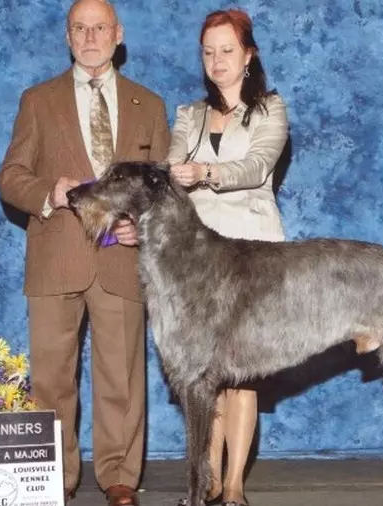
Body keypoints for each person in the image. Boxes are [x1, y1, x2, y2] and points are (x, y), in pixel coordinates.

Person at [0, 0, 170, 504]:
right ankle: (51, 476)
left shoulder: (149, 104)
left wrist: (147, 226)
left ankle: (119, 477)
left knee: (123, 376)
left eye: (99, 28)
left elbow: (163, 190)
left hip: (123, 259)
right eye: (80, 28)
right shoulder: (38, 100)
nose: (90, 37)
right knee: (51, 379)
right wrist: (50, 193)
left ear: (118, 35)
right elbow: (10, 177)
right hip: (56, 257)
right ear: (68, 36)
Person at [167, 9, 289, 506]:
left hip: (253, 253)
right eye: (208, 52)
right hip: (197, 259)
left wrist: (205, 173)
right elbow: (173, 164)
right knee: (204, 376)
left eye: (227, 51)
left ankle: (234, 485)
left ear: (248, 56)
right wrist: (177, 172)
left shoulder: (271, 109)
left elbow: (258, 165)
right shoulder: (188, 115)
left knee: (243, 376)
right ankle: (208, 480)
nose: (216, 61)